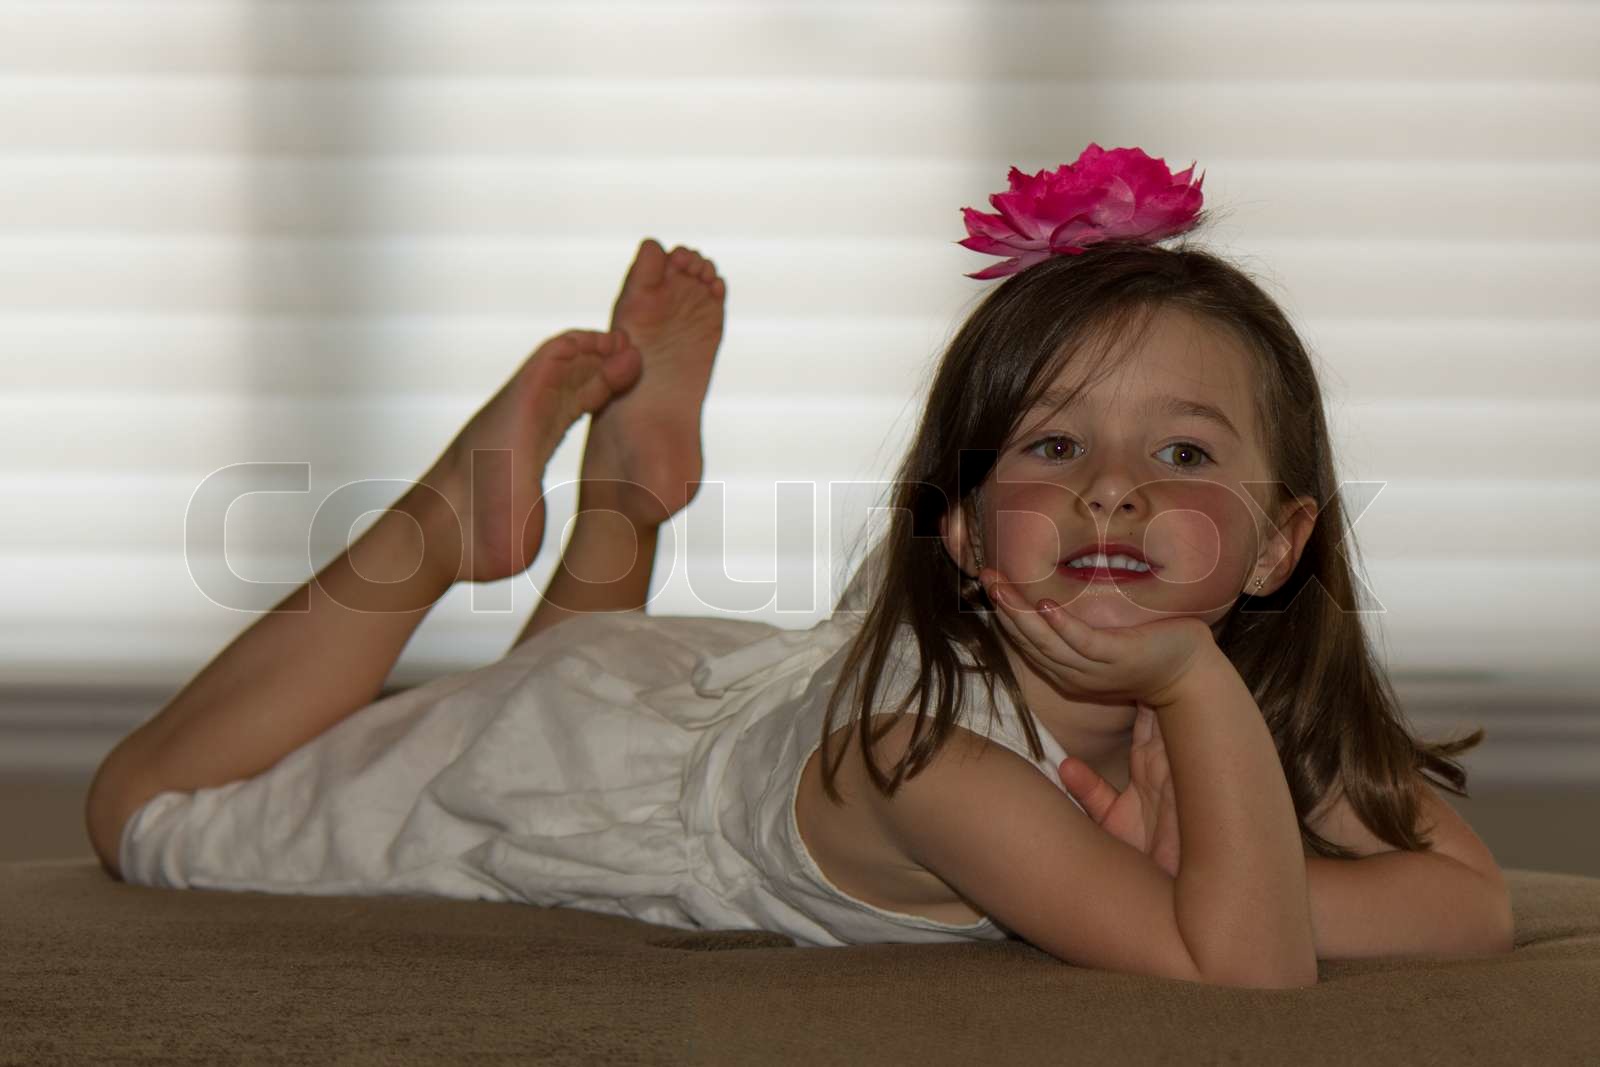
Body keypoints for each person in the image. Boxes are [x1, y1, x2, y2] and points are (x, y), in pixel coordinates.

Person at [86, 144, 1512, 989]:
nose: (1116, 492)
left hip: (672, 698)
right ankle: (445, 520)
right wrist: (1197, 725)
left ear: (1281, 542)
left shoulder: (1252, 694)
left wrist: (1228, 847)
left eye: (1185, 457)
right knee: (141, 810)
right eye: (1055, 447)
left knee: (558, 674)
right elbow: (1240, 969)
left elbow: (1473, 901)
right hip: (574, 757)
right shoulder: (926, 763)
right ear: (959, 529)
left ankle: (627, 505)